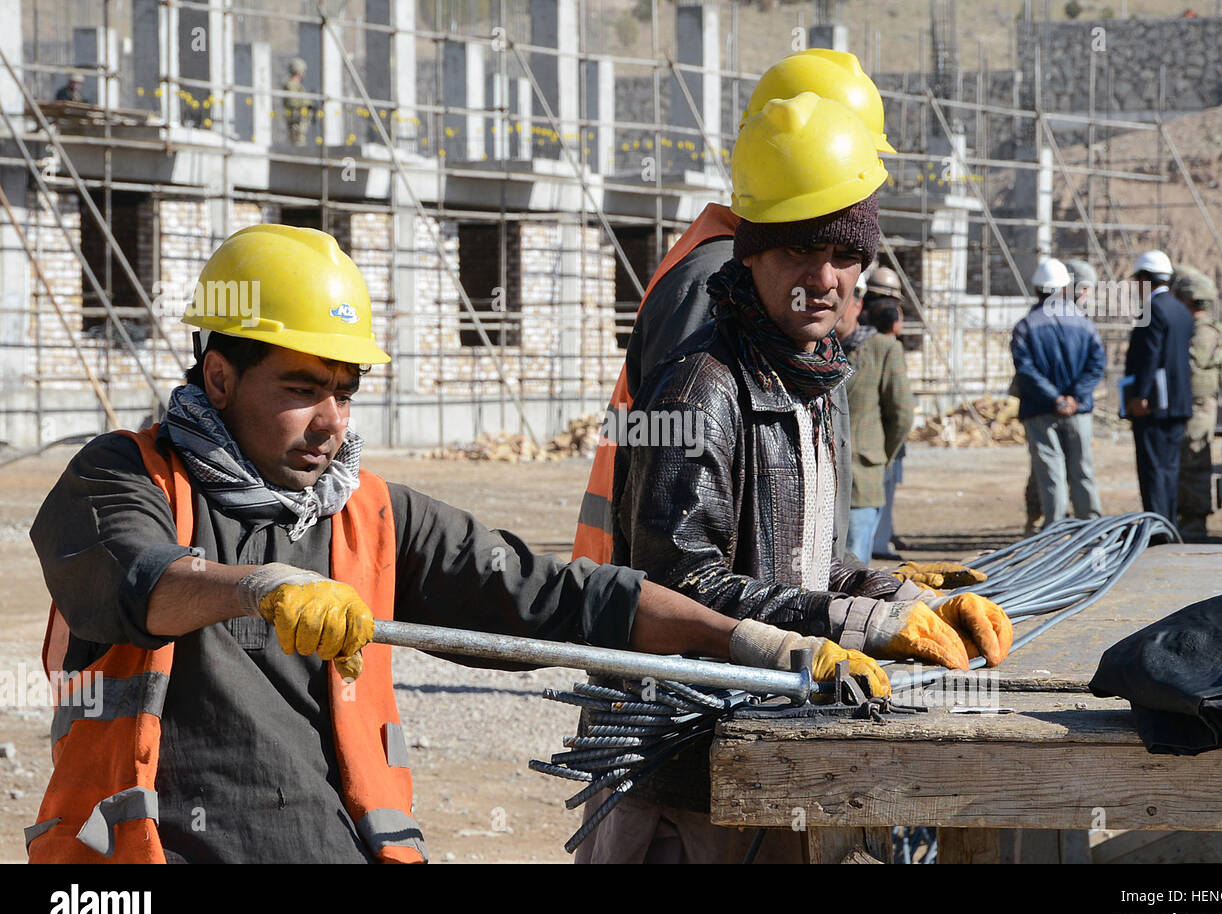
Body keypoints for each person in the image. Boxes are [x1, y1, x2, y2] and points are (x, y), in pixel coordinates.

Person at [25, 223, 864, 864]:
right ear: (219, 377)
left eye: (345, 393)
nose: (331, 422)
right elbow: (139, 581)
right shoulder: (123, 479)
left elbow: (564, 597)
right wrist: (257, 589)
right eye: (301, 387)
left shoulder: (369, 516)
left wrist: (762, 641)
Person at [582, 93, 1012, 864]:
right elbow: (681, 584)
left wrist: (907, 599)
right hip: (695, 781)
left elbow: (804, 563)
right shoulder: (701, 389)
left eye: (844, 257)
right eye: (797, 254)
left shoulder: (808, 379)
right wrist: (860, 626)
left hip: (775, 751)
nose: (823, 278)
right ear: (750, 255)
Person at [572, 49, 896, 571]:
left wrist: (851, 579)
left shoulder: (792, 325)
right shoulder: (715, 285)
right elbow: (683, 551)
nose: (825, 276)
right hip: (676, 625)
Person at [1011, 257, 1106, 530]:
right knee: (1083, 470)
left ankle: (1054, 530)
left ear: (1036, 289)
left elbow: (1026, 370)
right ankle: (1092, 529)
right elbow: (1097, 363)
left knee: (1050, 473)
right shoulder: (1084, 324)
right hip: (1079, 411)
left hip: (1041, 411)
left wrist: (1055, 398)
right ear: (1065, 288)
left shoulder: (1026, 326)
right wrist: (1075, 397)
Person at [840, 275, 914, 563]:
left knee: (855, 563)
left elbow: (902, 414)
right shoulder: (819, 348)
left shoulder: (884, 349)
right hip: (826, 481)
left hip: (863, 476)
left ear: (859, 305)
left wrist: (880, 455)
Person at [1123, 249, 1194, 527]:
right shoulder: (1181, 310)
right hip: (1178, 404)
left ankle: (1157, 528)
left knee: (1152, 469)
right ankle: (1169, 524)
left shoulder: (1151, 310)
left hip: (1153, 406)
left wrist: (1139, 396)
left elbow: (1149, 357)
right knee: (1169, 469)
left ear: (1144, 279)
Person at [1172, 264, 1222, 540]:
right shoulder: (1198, 328)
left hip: (1198, 406)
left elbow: (1191, 366)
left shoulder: (1204, 331)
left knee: (1194, 460)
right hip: (1193, 405)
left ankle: (1195, 520)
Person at [859, 265, 909, 558]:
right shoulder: (886, 347)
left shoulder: (854, 336)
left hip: (871, 436)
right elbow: (900, 411)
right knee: (883, 489)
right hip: (881, 437)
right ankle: (880, 540)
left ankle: (881, 538)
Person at [284, 57, 311, 146]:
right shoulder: (291, 85)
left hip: (300, 118)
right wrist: (306, 102)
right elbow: (292, 102)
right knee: (298, 142)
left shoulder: (296, 85)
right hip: (296, 118)